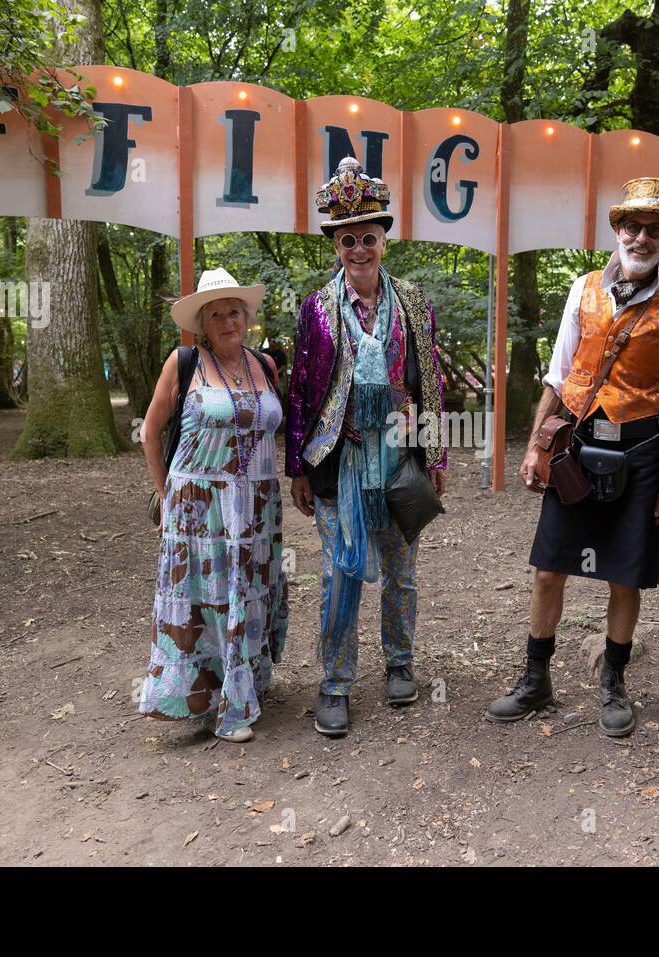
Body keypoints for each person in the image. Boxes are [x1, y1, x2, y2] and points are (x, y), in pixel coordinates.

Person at [486, 177, 659, 737]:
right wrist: (535, 446)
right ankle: (535, 681)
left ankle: (613, 685)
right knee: (549, 567)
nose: (641, 236)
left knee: (626, 576)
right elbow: (557, 376)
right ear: (618, 229)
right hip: (577, 447)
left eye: (655, 228)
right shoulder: (583, 290)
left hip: (645, 449)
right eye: (632, 225)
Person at [286, 156, 448, 738]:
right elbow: (301, 389)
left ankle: (400, 662)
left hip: (400, 454)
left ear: (384, 240)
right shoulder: (317, 309)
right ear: (336, 247)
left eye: (369, 238)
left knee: (403, 570)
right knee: (341, 574)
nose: (359, 249)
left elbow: (432, 381)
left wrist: (436, 455)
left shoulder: (411, 301)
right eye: (348, 240)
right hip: (340, 457)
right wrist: (297, 466)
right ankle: (334, 685)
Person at [137, 268, 288, 744]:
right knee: (209, 595)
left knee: (250, 591)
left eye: (235, 312)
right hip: (199, 504)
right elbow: (149, 432)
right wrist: (166, 497)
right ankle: (210, 697)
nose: (228, 321)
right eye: (217, 314)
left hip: (258, 503)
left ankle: (244, 684)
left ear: (247, 317)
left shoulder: (264, 365)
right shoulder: (185, 362)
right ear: (203, 322)